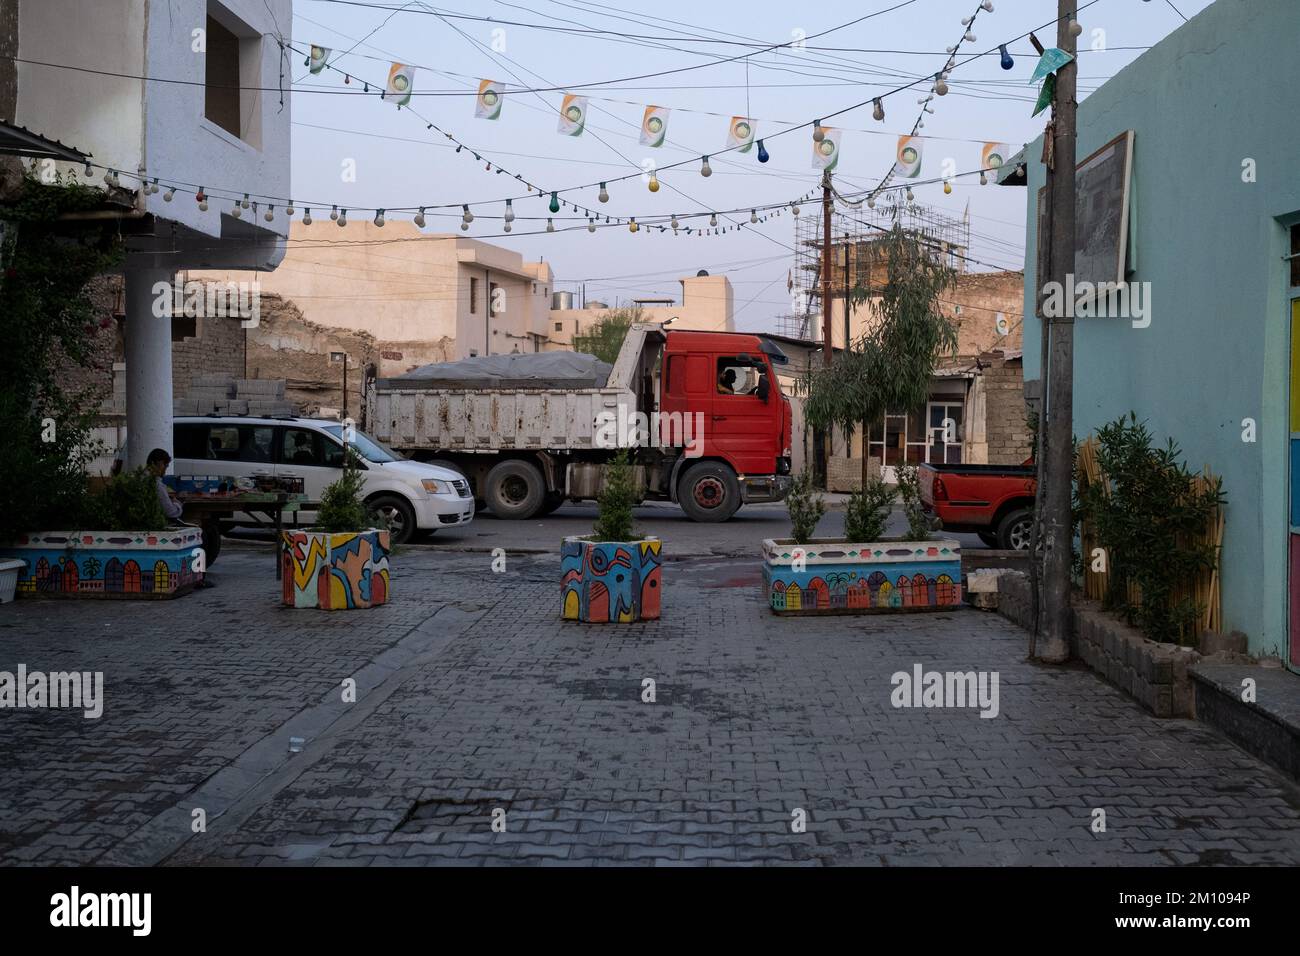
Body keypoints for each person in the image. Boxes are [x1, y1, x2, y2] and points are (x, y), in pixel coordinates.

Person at [146, 448, 184, 522]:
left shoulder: (141, 478)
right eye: (165, 466)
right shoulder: (156, 484)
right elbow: (171, 512)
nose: (165, 471)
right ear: (159, 463)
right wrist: (177, 503)